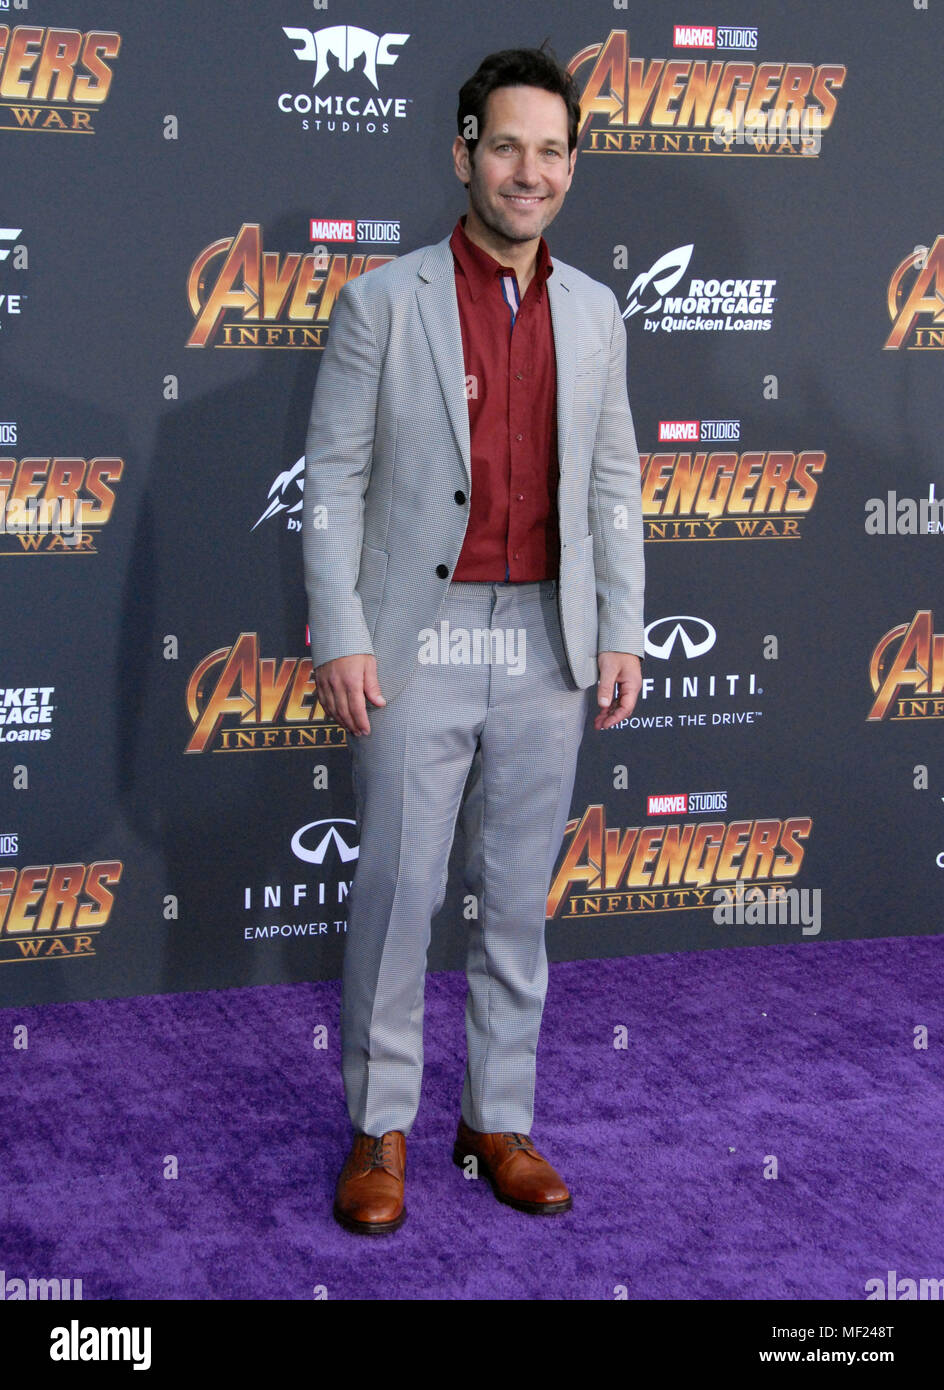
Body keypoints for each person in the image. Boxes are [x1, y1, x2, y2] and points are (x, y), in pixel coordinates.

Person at [303, 43, 645, 1235]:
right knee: (398, 891)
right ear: (462, 153)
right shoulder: (379, 302)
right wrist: (342, 631)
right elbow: (334, 485)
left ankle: (495, 1119)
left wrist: (622, 630)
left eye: (550, 150)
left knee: (514, 902)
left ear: (568, 167)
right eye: (505, 145)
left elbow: (613, 483)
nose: (527, 170)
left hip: (550, 638)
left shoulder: (597, 312)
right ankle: (380, 1125)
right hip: (419, 639)